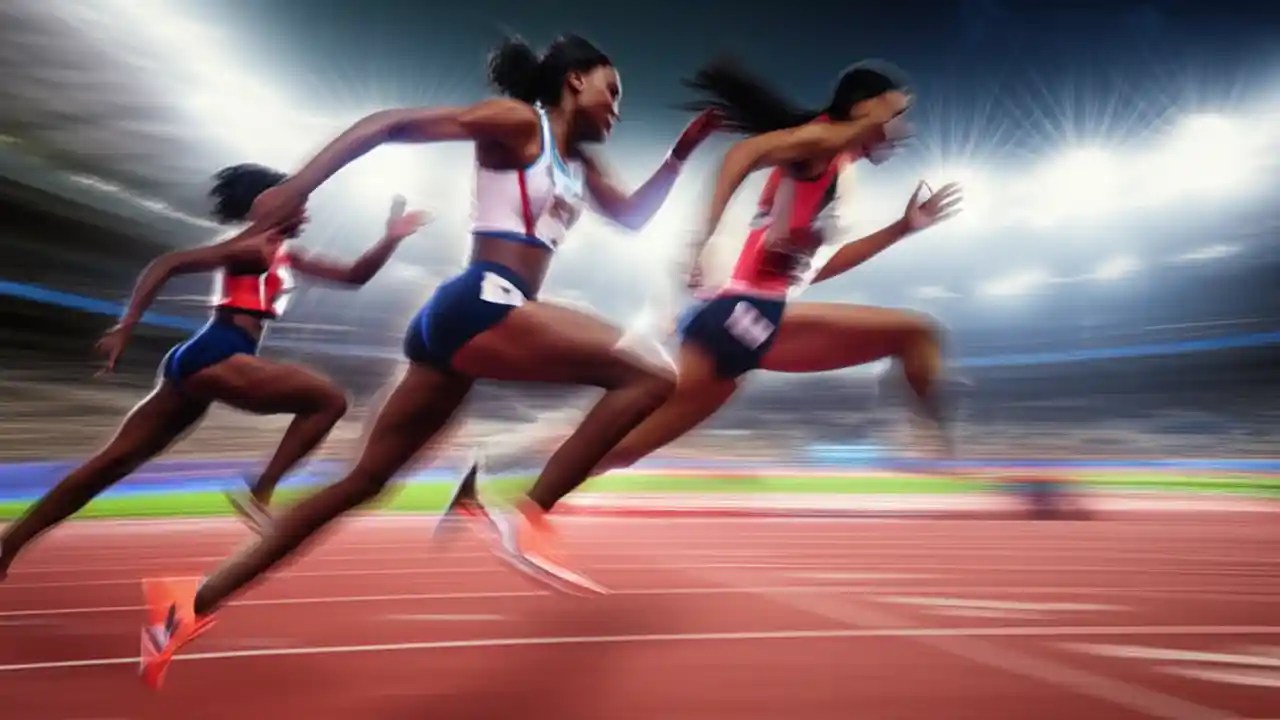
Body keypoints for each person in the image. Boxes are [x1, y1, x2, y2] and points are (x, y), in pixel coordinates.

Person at [137, 34, 720, 689]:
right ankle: (525, 507)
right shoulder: (517, 124)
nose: (617, 106)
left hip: (465, 323)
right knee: (650, 373)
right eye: (612, 89)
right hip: (482, 301)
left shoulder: (579, 164)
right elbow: (391, 124)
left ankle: (185, 605)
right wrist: (297, 186)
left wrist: (681, 153)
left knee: (362, 483)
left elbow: (635, 217)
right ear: (575, 80)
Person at [441, 58, 962, 516]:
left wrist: (901, 228)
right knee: (915, 332)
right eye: (898, 113)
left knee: (623, 446)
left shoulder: (836, 160)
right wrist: (700, 238)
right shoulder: (826, 140)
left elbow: (813, 267)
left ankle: (492, 468)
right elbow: (743, 155)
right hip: (741, 312)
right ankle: (937, 452)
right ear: (867, 106)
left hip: (748, 314)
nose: (903, 128)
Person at [0, 164, 429, 581]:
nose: (305, 209)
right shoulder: (249, 246)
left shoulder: (284, 254)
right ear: (267, 204)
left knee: (112, 464)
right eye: (297, 200)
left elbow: (354, 276)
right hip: (216, 352)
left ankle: (9, 543)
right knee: (328, 400)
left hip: (204, 359)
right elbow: (168, 263)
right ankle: (261, 488)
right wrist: (125, 326)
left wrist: (390, 238)